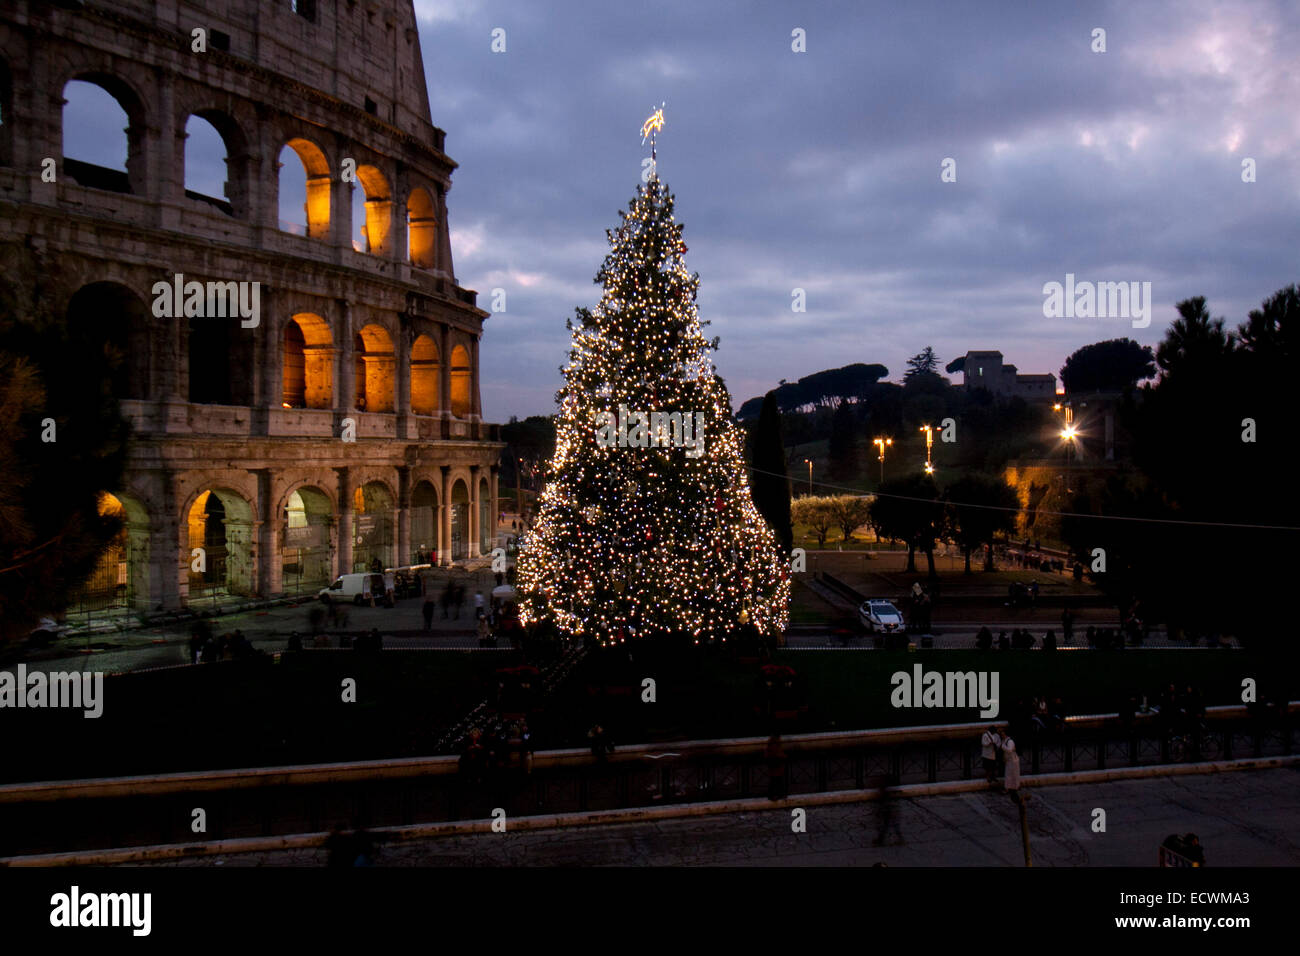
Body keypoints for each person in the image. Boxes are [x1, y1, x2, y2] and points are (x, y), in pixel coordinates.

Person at [766, 734, 788, 800]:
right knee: (777, 780)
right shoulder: (775, 741)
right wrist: (783, 756)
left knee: (774, 781)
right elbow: (777, 751)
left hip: (774, 763)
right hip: (776, 763)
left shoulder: (772, 741)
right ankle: (777, 795)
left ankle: (774, 795)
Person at [1002, 732, 1021, 797]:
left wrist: (1003, 747)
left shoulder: (1010, 741)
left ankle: (1013, 787)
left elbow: (1009, 750)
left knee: (1013, 774)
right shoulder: (1005, 741)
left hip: (1013, 760)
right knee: (1008, 774)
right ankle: (1010, 787)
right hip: (1009, 760)